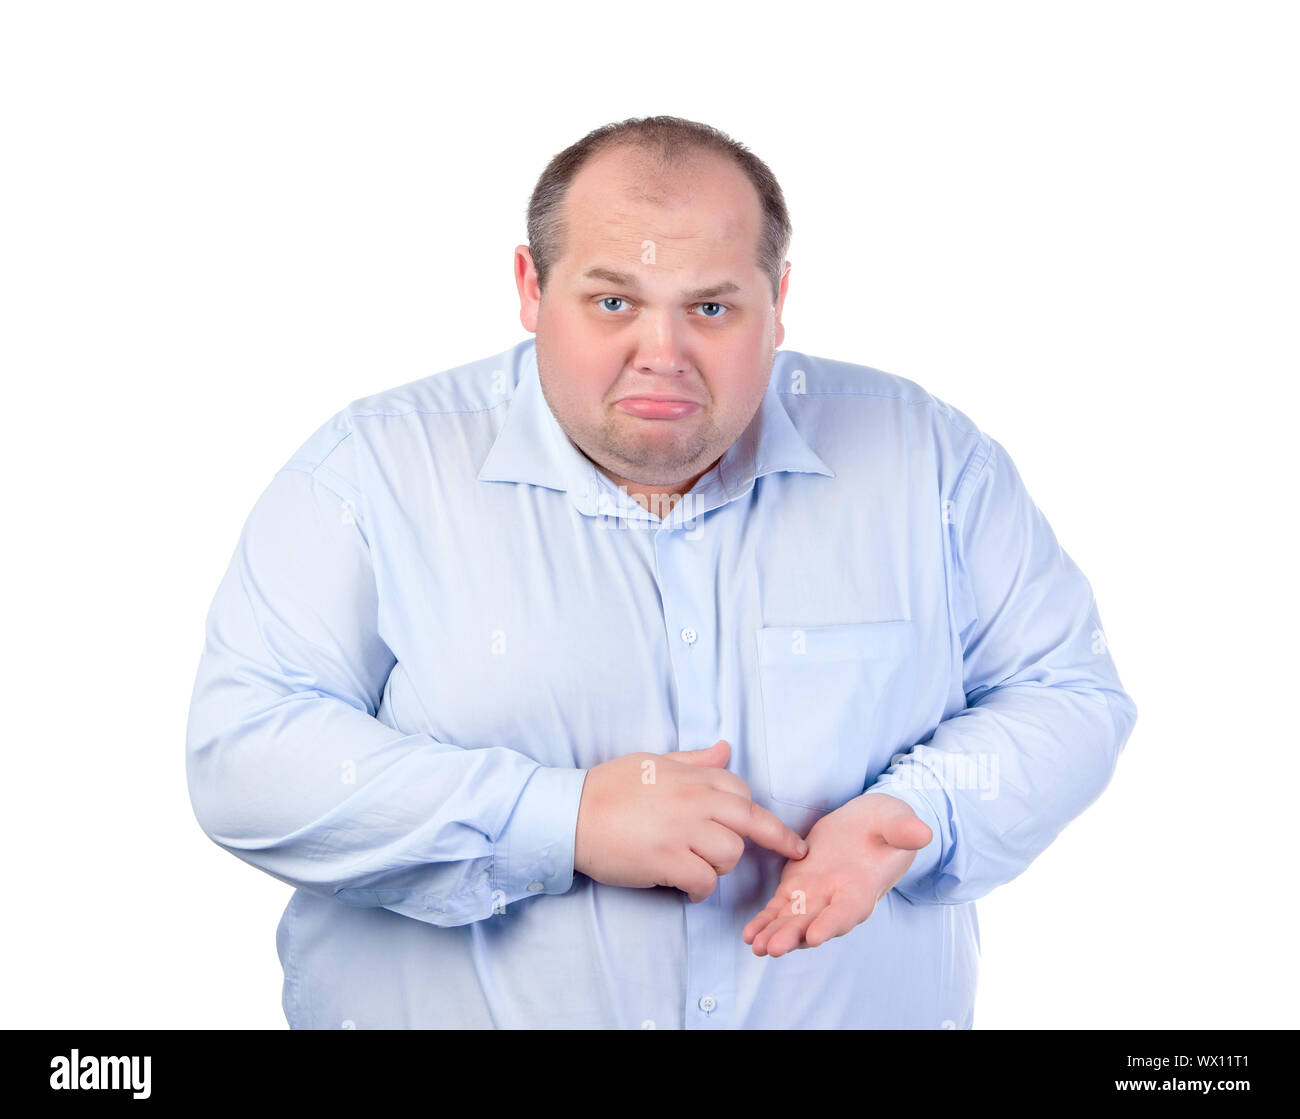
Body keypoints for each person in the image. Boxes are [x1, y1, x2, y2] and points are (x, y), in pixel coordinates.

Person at [185, 114, 1137, 1029]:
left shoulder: (929, 456)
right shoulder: (369, 472)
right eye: (613, 302)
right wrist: (560, 818)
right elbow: (245, 761)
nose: (663, 356)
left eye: (712, 307)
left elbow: (1068, 689)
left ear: (779, 301)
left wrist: (916, 808)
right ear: (528, 285)